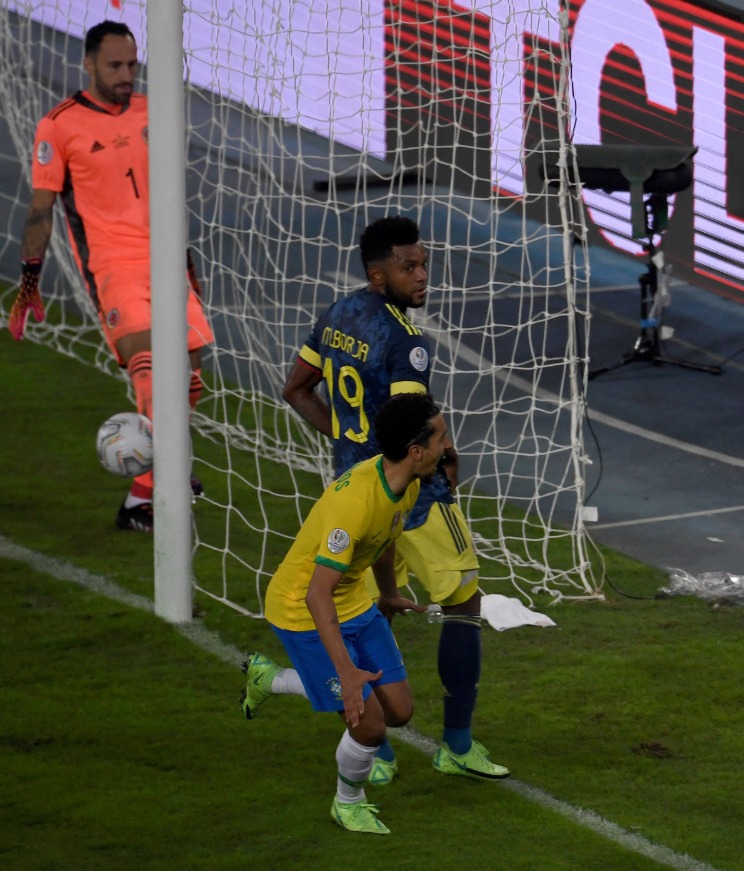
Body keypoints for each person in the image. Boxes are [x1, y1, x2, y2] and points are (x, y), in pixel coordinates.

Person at [244, 215, 508, 786]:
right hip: (416, 497)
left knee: (362, 616)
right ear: (377, 271)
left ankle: (379, 753)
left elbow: (296, 388)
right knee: (463, 606)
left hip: (355, 495)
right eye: (408, 267)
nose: (422, 277)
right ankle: (456, 746)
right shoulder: (404, 340)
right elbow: (415, 424)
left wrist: (349, 446)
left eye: (424, 263)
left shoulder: (338, 314)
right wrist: (446, 456)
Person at [8, 19, 212, 532]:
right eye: (115, 65)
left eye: (132, 64)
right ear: (89, 64)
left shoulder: (152, 111)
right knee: (149, 372)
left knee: (188, 380)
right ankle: (162, 481)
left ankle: (140, 496)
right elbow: (41, 210)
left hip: (167, 262)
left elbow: (167, 195)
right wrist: (29, 279)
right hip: (113, 269)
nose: (127, 75)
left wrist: (188, 268)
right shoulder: (60, 125)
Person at [245, 393, 441, 834]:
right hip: (302, 610)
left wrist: (388, 594)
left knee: (400, 712)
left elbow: (385, 540)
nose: (446, 447)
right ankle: (347, 803)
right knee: (369, 725)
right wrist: (348, 673)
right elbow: (317, 596)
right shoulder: (352, 505)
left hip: (353, 601)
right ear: (415, 451)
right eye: (440, 438)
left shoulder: (407, 485)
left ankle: (270, 679)